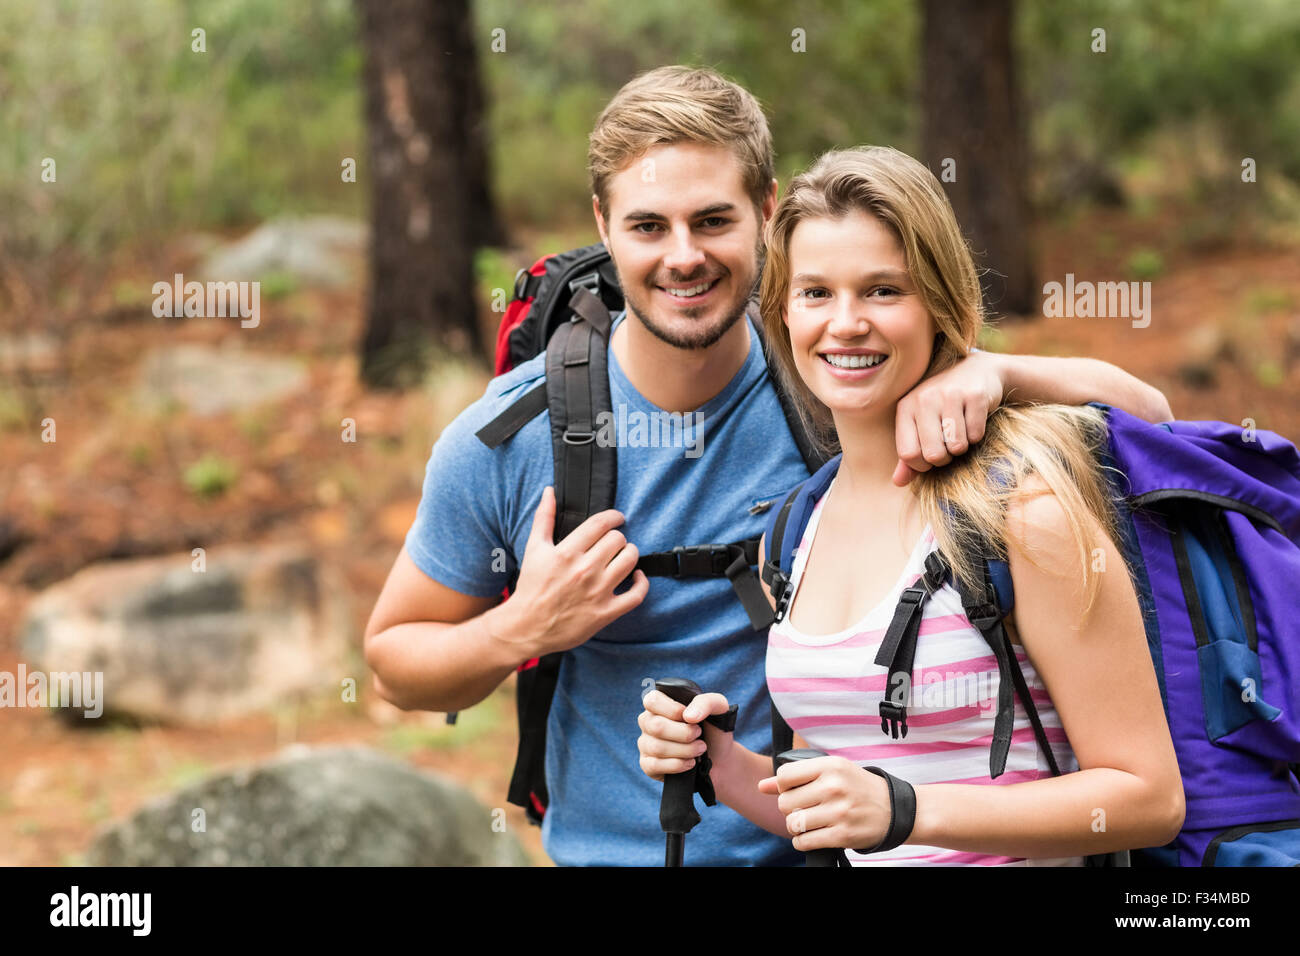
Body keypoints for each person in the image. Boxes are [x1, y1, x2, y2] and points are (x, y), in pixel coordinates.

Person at [366, 66, 1174, 867]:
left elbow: (1151, 425)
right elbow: (397, 667)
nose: (684, 257)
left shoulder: (838, 366)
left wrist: (1000, 371)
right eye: (649, 226)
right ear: (603, 226)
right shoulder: (513, 437)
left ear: (766, 211)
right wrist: (522, 628)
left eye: (713, 220)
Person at [636, 145, 1185, 865]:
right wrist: (726, 765)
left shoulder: (1022, 514)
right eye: (816, 293)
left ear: (941, 306)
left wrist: (905, 808)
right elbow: (847, 802)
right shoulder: (798, 526)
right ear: (783, 313)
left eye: (883, 291)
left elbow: (1148, 797)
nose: (846, 323)